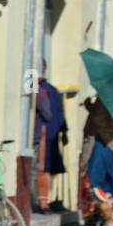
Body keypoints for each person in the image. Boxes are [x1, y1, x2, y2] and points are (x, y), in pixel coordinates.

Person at [33, 63, 68, 212]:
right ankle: (44, 201)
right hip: (54, 134)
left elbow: (48, 114)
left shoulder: (41, 91)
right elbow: (61, 115)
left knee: (43, 167)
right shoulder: (53, 90)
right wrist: (64, 131)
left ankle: (43, 202)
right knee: (46, 167)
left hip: (45, 134)